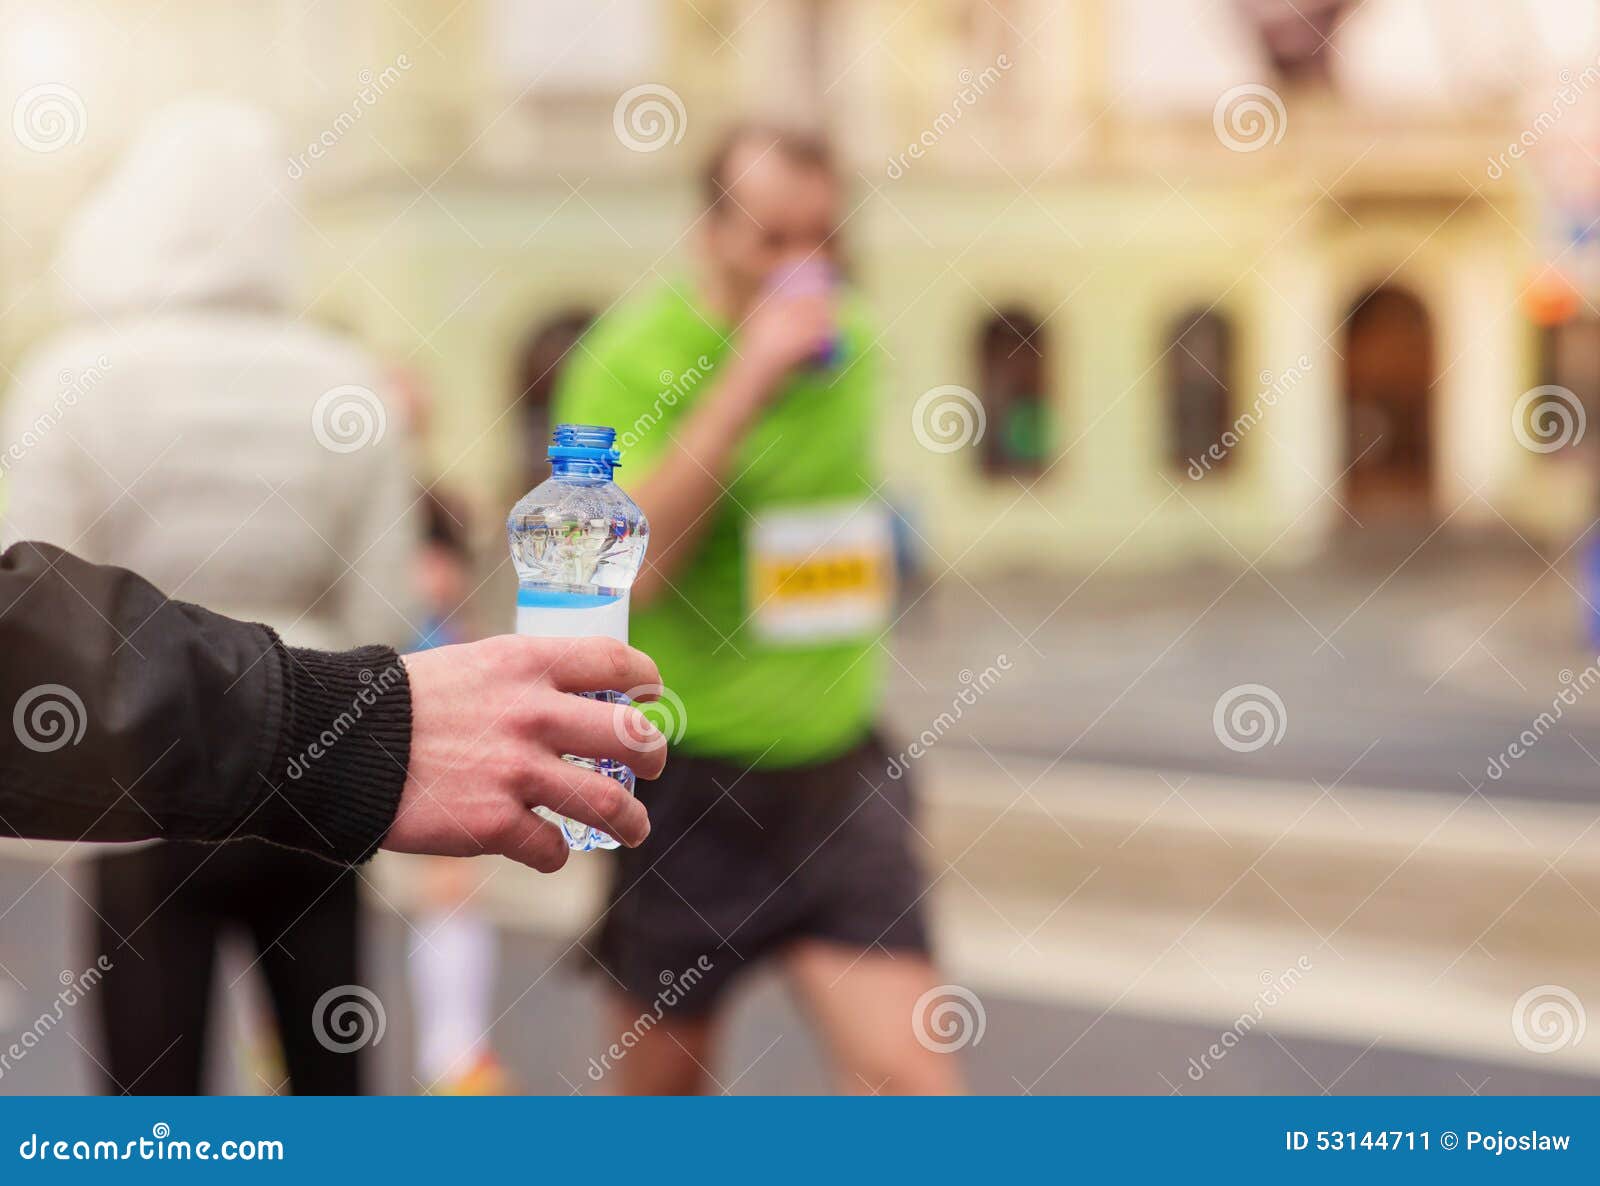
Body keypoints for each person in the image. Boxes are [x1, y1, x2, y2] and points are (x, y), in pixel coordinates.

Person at [0, 101, 661, 1092]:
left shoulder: (71, 379)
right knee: (328, 1082)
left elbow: (38, 596)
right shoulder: (341, 380)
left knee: (149, 1100)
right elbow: (380, 612)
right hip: (317, 766)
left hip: (137, 783)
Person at [554, 124, 958, 1095]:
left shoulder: (855, 345)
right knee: (663, 1105)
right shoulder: (623, 357)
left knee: (917, 1086)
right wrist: (745, 379)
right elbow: (611, 575)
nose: (801, 268)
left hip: (837, 778)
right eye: (771, 239)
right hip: (690, 785)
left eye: (821, 238)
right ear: (708, 233)